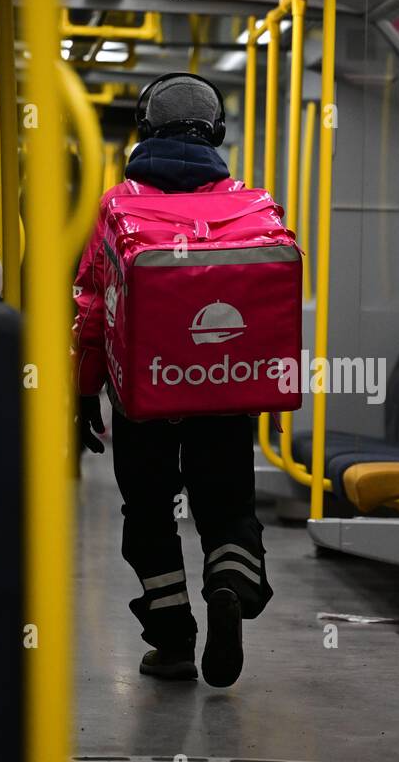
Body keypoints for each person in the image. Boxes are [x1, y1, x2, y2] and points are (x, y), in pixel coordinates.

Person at [71, 74, 273, 688]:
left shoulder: (116, 207)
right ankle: (230, 584)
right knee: (227, 503)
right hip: (225, 389)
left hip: (143, 396)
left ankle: (173, 639)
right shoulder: (253, 207)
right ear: (216, 134)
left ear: (143, 130)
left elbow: (90, 310)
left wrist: (83, 395)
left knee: (150, 511)